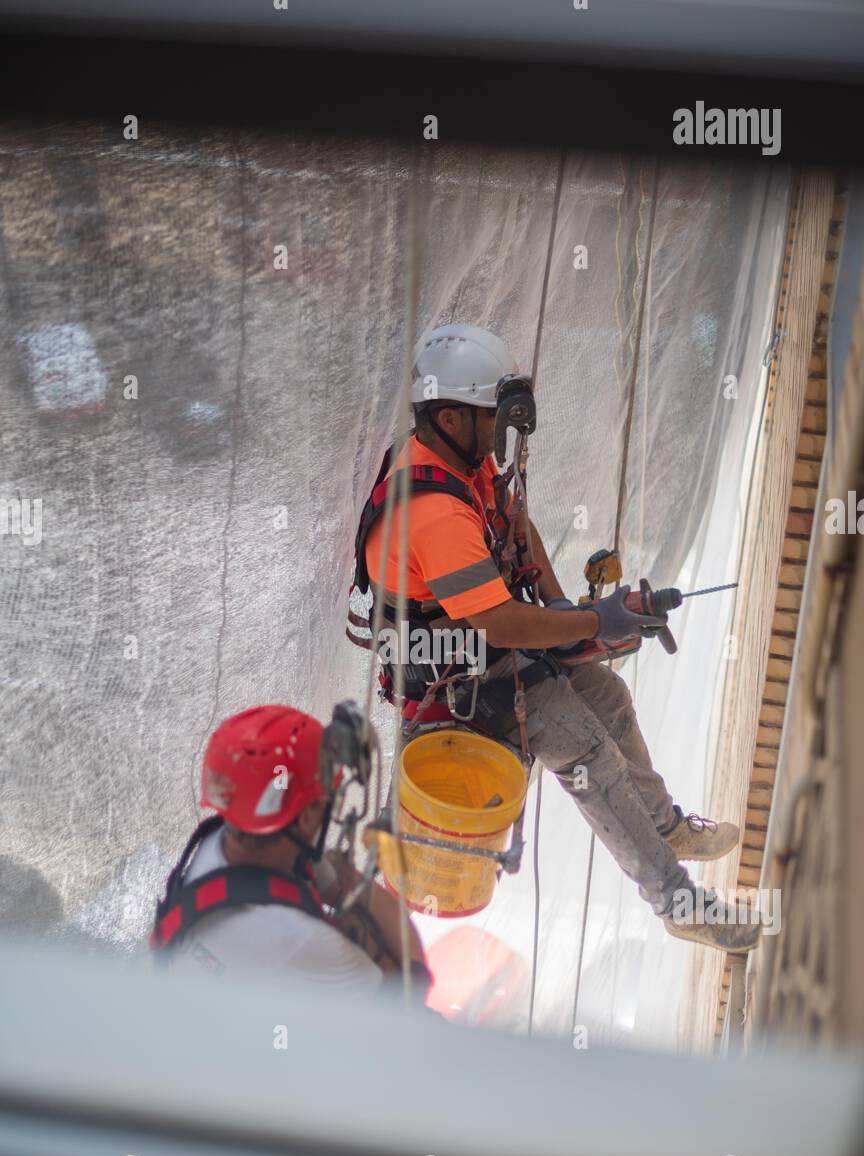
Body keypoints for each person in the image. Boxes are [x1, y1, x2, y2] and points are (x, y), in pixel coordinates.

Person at [350, 323, 761, 953]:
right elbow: (502, 622)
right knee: (589, 754)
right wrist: (595, 623)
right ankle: (676, 902)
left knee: (612, 701)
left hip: (489, 645)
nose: (500, 437)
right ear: (453, 417)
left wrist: (560, 600)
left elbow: (514, 520)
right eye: (494, 419)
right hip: (455, 680)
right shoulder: (431, 513)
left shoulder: (462, 459)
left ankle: (664, 825)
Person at [151, 704, 432, 995]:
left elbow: (343, 882)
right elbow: (404, 1005)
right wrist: (408, 968)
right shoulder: (296, 938)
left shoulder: (222, 840)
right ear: (308, 815)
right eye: (328, 800)